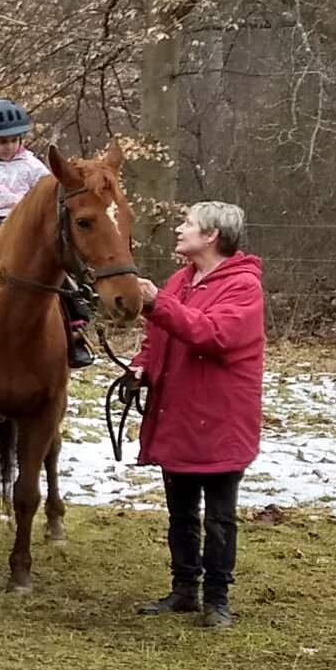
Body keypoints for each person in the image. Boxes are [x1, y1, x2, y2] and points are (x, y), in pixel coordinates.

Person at [131, 200, 265, 630]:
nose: (179, 228)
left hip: (220, 418)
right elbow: (158, 337)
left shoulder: (243, 287)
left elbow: (214, 335)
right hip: (179, 412)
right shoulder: (181, 280)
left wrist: (157, 303)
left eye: (188, 224)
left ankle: (217, 599)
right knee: (181, 510)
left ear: (211, 236)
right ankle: (185, 588)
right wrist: (141, 366)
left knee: (220, 514)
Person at [0, 98, 93, 368]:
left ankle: (74, 333)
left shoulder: (33, 168)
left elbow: (50, 199)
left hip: (23, 238)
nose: (9, 147)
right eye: (2, 142)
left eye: (14, 140)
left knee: (61, 278)